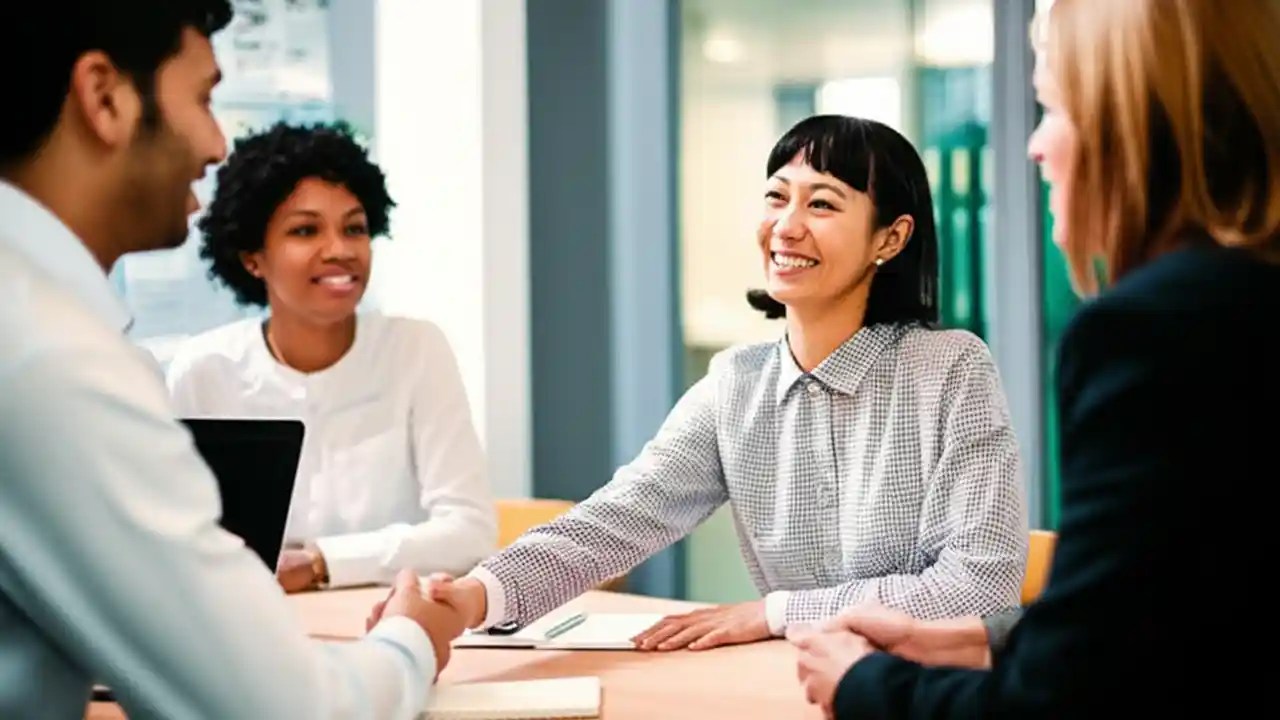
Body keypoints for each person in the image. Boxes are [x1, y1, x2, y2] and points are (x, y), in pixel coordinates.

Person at [791, 0, 1280, 716]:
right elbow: (1189, 624)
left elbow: (1062, 699)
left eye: (1054, 108)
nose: (1033, 147)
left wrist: (861, 684)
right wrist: (979, 646)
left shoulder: (1154, 334)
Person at [0, 3, 465, 717]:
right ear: (105, 97)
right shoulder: (49, 358)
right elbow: (286, 709)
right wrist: (415, 637)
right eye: (204, 98)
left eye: (354, 228)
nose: (218, 145)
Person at [427, 114, 1028, 651]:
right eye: (776, 198)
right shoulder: (736, 384)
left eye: (822, 204)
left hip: (924, 693)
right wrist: (474, 596)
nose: (786, 227)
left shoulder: (950, 369)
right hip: (790, 684)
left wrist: (776, 613)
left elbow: (978, 586)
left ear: (890, 239)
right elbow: (619, 518)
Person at [166, 121, 497, 592]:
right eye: (305, 230)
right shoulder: (204, 369)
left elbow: (470, 532)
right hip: (255, 628)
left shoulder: (416, 349)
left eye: (355, 228)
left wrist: (321, 561)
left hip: (397, 622)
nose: (340, 250)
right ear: (252, 258)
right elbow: (179, 538)